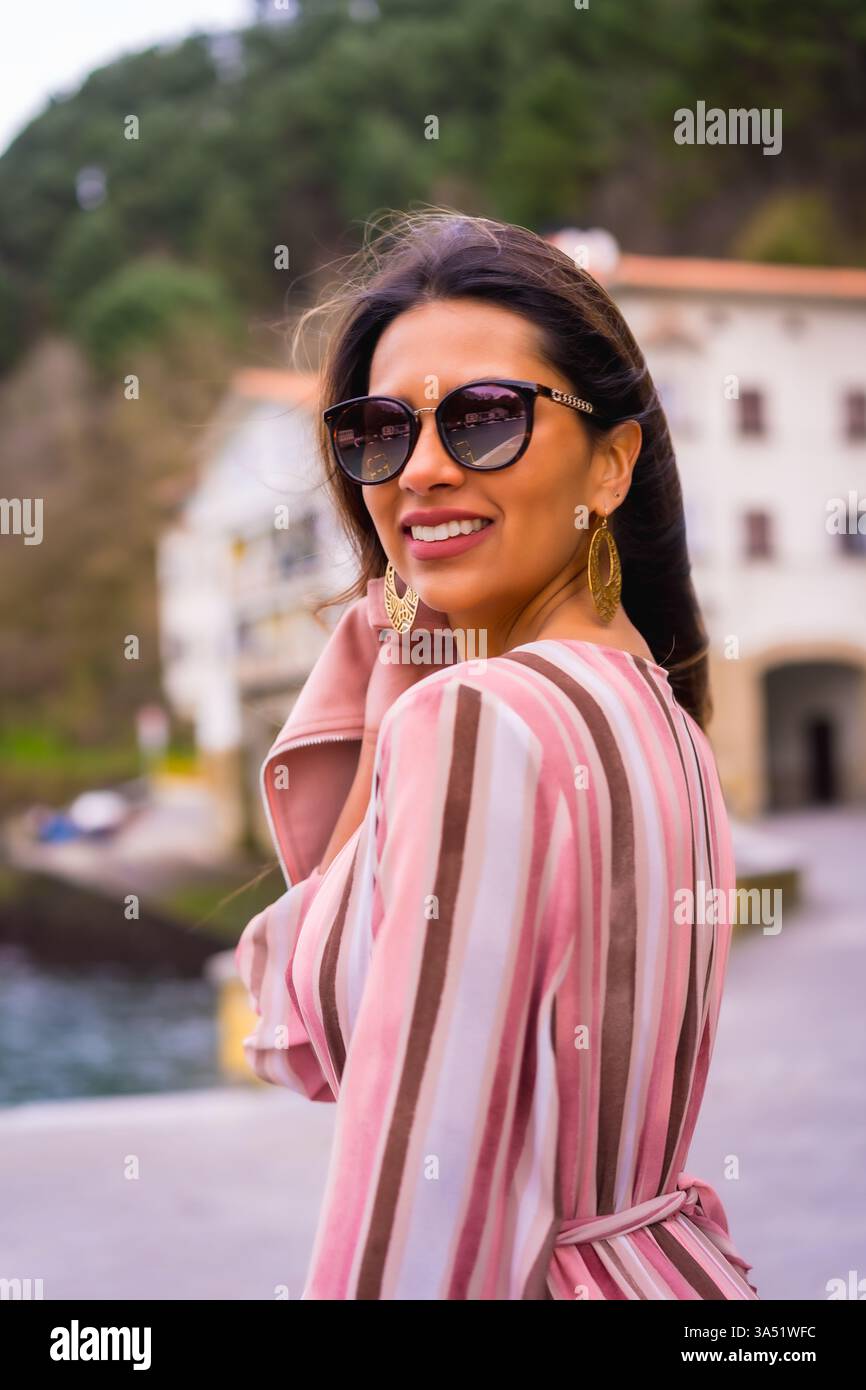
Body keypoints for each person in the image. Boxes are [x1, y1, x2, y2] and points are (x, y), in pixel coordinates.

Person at [234, 209, 759, 1300]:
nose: (420, 469)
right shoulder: (662, 717)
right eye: (378, 431)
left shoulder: (479, 724)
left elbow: (416, 1204)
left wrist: (407, 700)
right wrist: (396, 689)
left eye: (482, 417)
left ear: (610, 463)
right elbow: (325, 1024)